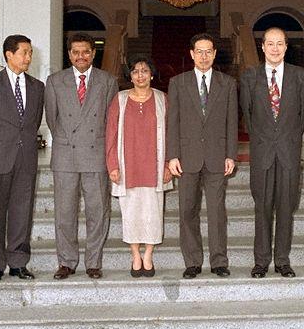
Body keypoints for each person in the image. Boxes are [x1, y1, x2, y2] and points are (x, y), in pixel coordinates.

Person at [0, 34, 45, 282]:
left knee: (22, 212)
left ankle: (18, 262)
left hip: (26, 158)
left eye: (30, 52)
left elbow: (33, 123)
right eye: (24, 52)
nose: (28, 57)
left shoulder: (37, 87)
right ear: (9, 55)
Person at [240, 27, 304, 279]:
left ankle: (282, 260)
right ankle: (261, 261)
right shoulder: (249, 76)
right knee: (262, 207)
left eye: (279, 43)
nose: (275, 48)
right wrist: (265, 138)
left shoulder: (300, 76)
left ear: (286, 46)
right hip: (261, 153)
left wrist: (287, 138)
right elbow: (247, 115)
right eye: (270, 43)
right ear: (262, 47)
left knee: (285, 207)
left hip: (289, 152)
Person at [44, 33, 118, 280]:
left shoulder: (107, 81)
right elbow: (53, 120)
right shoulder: (55, 81)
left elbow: (110, 121)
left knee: (98, 211)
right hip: (66, 155)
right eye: (76, 52)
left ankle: (93, 262)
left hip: (96, 155)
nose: (81, 56)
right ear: (69, 54)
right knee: (64, 213)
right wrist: (66, 141)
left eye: (86, 51)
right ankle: (66, 262)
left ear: (93, 53)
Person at [167, 33, 238, 279]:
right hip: (187, 157)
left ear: (215, 54)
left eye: (209, 51)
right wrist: (172, 155)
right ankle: (193, 262)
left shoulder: (228, 83)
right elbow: (172, 121)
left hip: (218, 156)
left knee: (217, 211)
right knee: (188, 210)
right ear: (191, 54)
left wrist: (231, 154)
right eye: (200, 51)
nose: (204, 56)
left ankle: (219, 261)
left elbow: (231, 122)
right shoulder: (178, 82)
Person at [106, 55, 172, 278]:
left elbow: (172, 135)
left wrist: (167, 165)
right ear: (130, 76)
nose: (140, 75)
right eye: (135, 71)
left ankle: (149, 255)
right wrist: (112, 164)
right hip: (128, 166)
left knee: (153, 213)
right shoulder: (120, 99)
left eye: (145, 71)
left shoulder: (163, 99)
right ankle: (135, 254)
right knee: (131, 213)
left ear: (151, 74)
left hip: (154, 166)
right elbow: (111, 134)